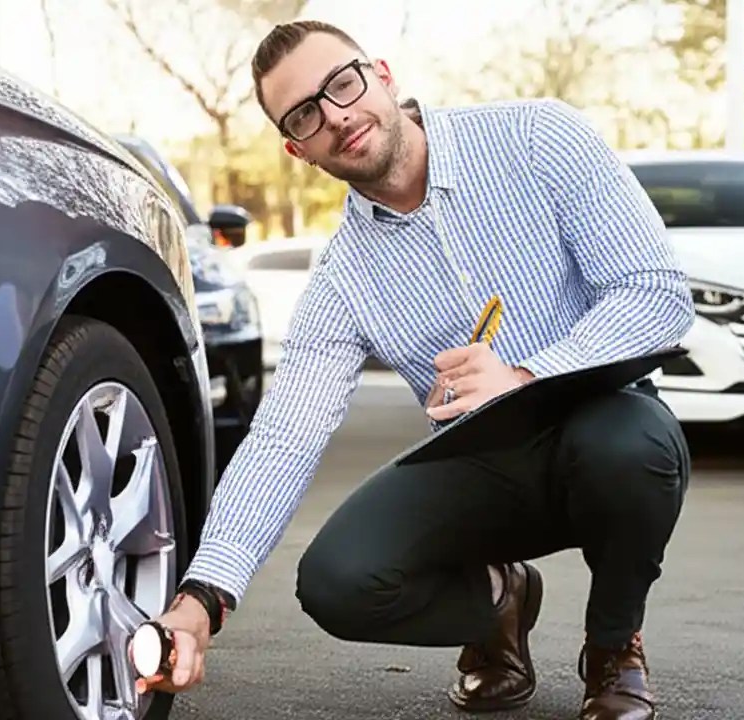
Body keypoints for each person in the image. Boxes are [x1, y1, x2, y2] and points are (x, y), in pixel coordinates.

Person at [139, 19, 694, 720]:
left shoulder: (538, 136)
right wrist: (201, 598)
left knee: (629, 449)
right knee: (338, 581)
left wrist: (526, 374)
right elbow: (284, 437)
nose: (337, 116)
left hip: (609, 422)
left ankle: (615, 645)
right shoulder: (344, 279)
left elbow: (656, 292)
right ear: (297, 148)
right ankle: (498, 602)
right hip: (485, 460)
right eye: (306, 114)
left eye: (342, 84)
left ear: (381, 73)